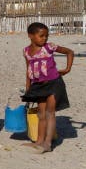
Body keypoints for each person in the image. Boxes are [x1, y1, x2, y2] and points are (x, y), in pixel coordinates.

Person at [20, 22, 73, 153]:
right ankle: (39, 141)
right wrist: (28, 88)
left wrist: (67, 69)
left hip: (54, 83)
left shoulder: (49, 47)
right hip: (38, 86)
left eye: (46, 36)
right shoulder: (26, 51)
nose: (45, 38)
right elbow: (28, 69)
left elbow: (69, 52)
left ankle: (47, 144)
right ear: (30, 36)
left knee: (50, 113)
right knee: (40, 114)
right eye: (41, 36)